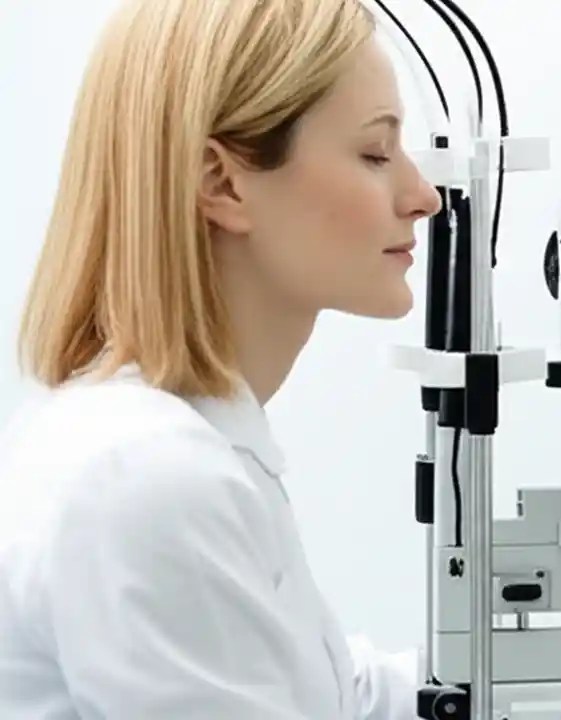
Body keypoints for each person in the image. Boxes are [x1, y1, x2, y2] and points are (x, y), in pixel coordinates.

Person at [0, 0, 443, 717]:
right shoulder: (150, 479)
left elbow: (333, 695)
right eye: (374, 153)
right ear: (222, 182)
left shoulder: (166, 446)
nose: (421, 196)